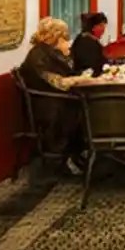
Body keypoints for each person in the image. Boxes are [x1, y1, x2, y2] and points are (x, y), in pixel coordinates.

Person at [20, 18, 87, 174]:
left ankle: (79, 154)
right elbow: (58, 82)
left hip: (56, 98)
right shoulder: (38, 55)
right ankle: (73, 155)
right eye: (64, 36)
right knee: (85, 108)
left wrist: (67, 56)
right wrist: (80, 78)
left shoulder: (49, 51)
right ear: (55, 36)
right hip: (48, 103)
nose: (67, 39)